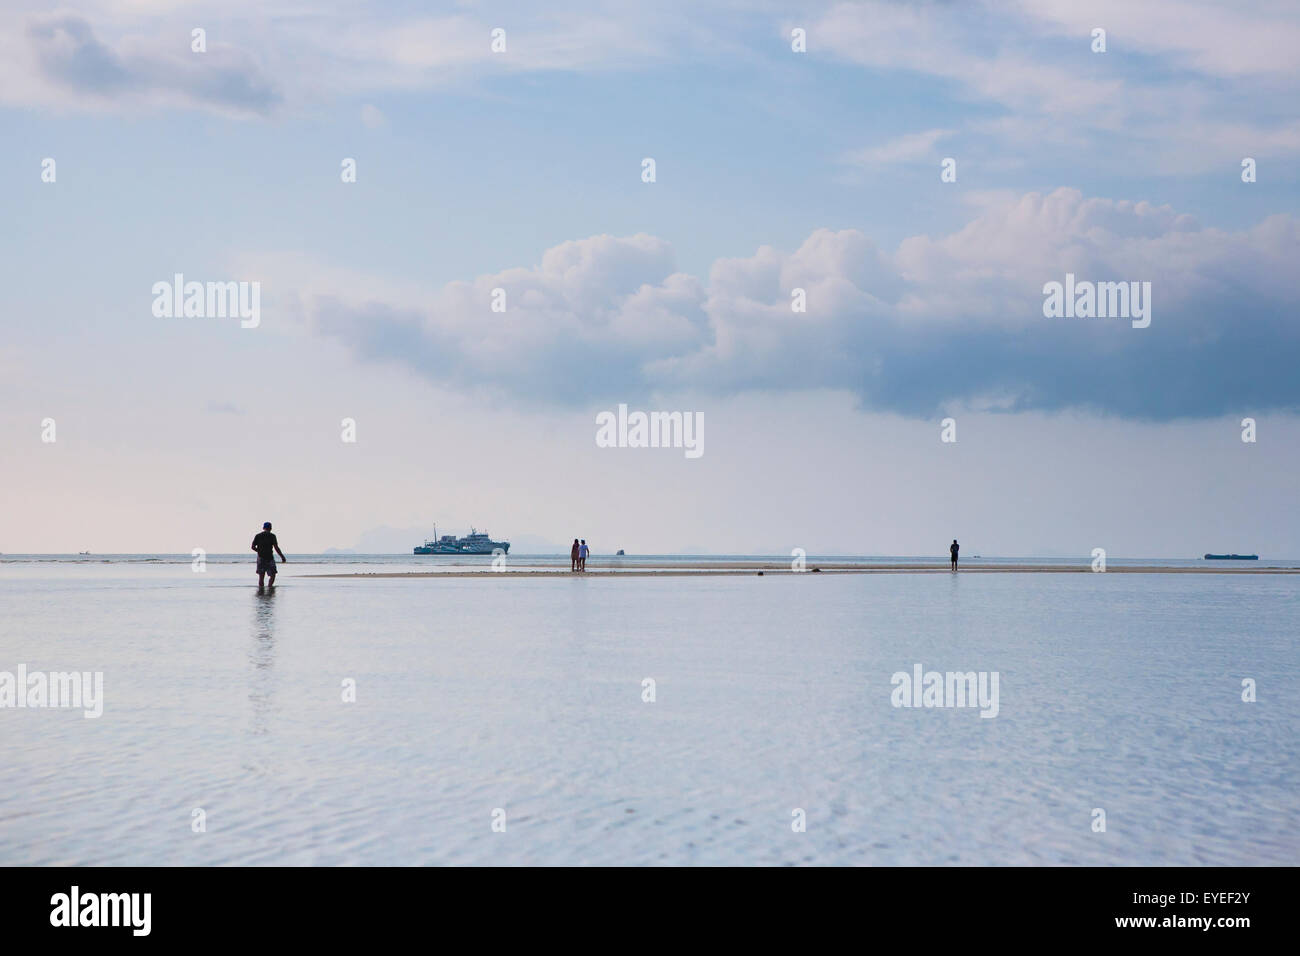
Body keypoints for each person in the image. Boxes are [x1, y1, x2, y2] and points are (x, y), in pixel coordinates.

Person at [252, 522, 286, 589]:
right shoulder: (272, 536)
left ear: (263, 528)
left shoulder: (258, 535)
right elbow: (276, 548)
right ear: (270, 528)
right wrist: (282, 557)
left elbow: (253, 547)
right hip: (269, 558)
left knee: (261, 576)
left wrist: (259, 551)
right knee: (273, 575)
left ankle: (261, 591)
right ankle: (270, 588)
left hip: (260, 558)